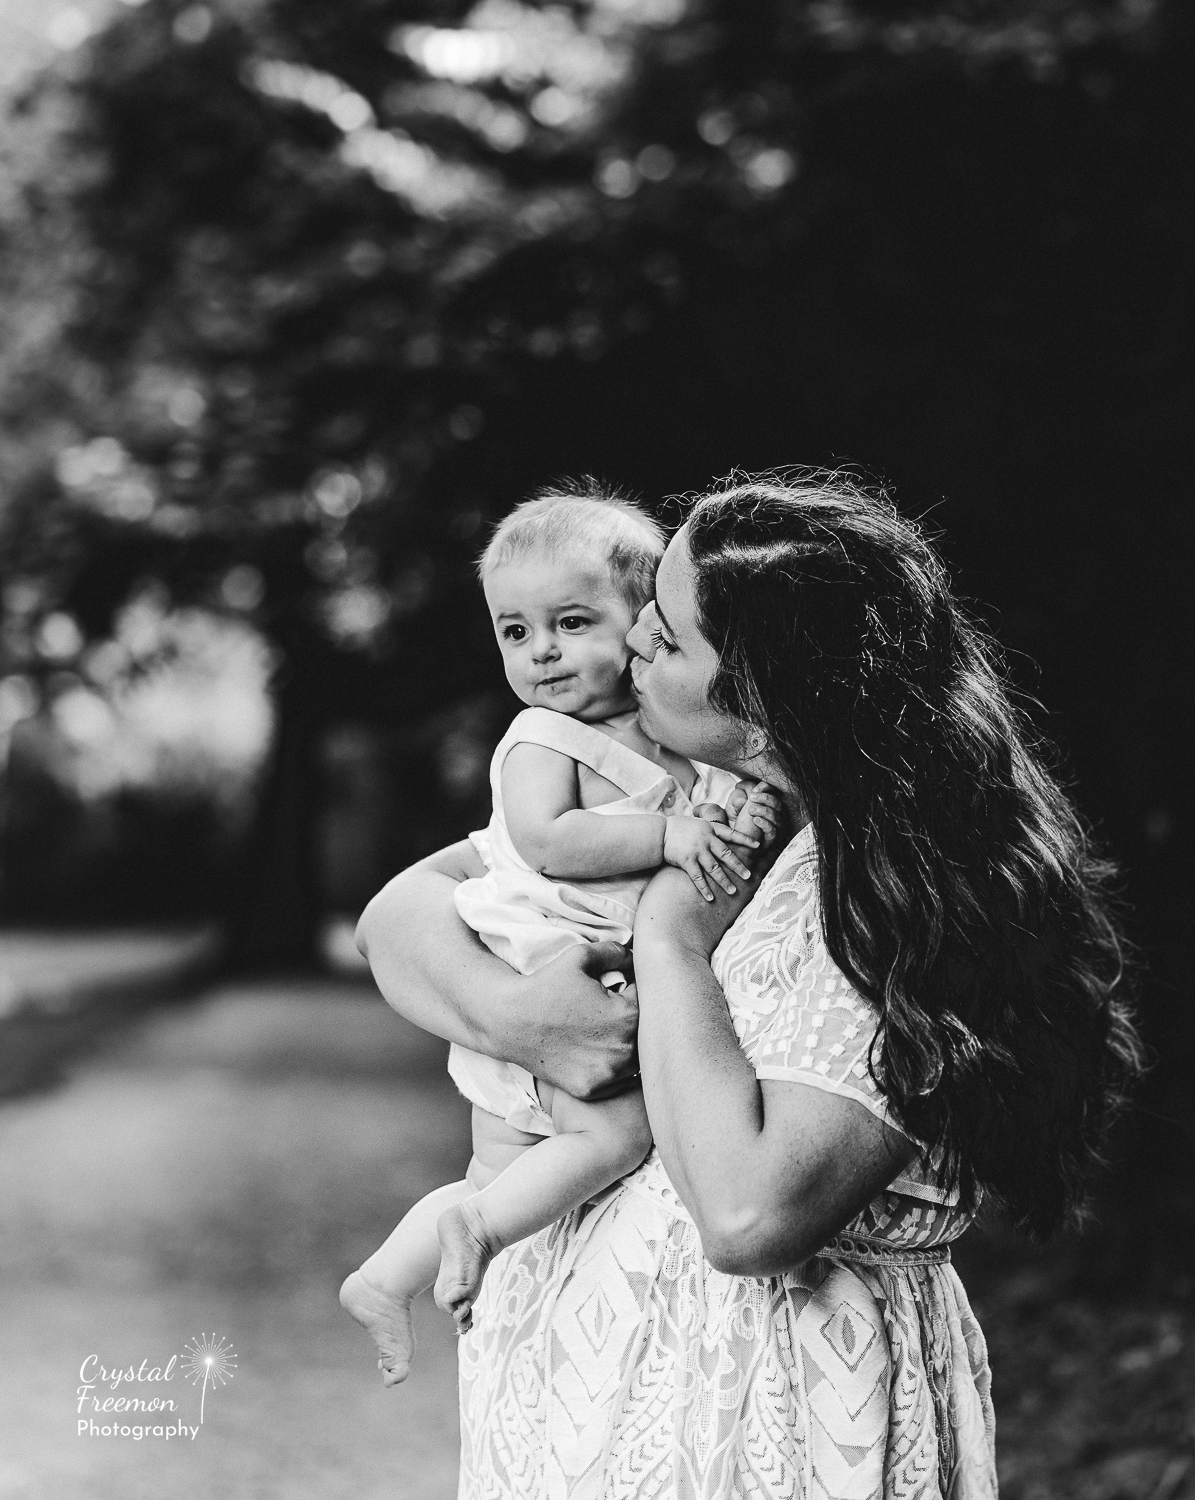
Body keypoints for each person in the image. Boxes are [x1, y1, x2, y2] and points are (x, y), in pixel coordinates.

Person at [357, 472, 1141, 1497]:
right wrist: (519, 1017)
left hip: (772, 1414)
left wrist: (672, 940)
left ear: (770, 705)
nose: (636, 640)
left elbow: (750, 1217)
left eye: (668, 636)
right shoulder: (692, 801)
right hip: (586, 1400)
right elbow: (398, 916)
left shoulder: (893, 896)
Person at [341, 486, 779, 1385]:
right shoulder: (543, 737)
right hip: (548, 965)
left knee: (493, 1169)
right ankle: (480, 1234)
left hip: (597, 976)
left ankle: (385, 1278)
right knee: (606, 1141)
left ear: (641, 623)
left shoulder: (672, 741)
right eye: (514, 631)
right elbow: (545, 840)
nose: (540, 650)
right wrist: (669, 836)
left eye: (571, 622)